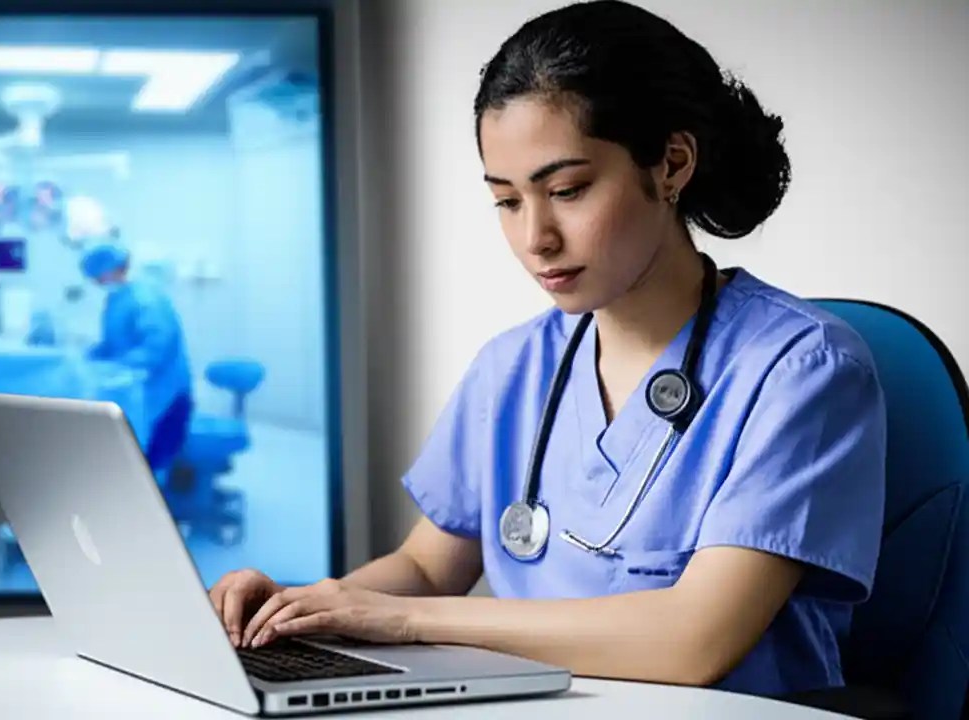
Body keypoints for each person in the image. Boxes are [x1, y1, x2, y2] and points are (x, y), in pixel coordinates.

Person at [207, 0, 887, 699]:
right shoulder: (512, 369)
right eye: (507, 200)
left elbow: (695, 639)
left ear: (671, 165)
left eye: (567, 190)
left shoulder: (802, 370)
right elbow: (423, 568)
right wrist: (302, 610)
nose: (536, 238)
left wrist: (407, 620)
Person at [81, 243, 193, 475]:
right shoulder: (117, 299)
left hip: (166, 395)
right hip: (140, 390)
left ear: (114, 269)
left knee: (149, 463)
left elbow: (156, 348)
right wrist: (88, 358)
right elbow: (113, 343)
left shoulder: (146, 299)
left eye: (98, 276)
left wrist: (117, 366)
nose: (97, 283)